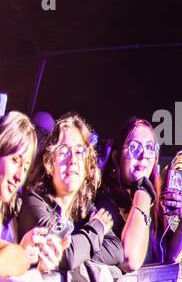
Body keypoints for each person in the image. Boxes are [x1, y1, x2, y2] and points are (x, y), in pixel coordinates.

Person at [16, 113, 124, 272]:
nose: (72, 159)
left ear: (87, 164)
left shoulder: (85, 208)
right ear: (49, 163)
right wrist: (97, 228)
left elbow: (116, 250)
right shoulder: (34, 202)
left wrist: (79, 251)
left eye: (80, 152)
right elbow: (64, 256)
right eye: (64, 151)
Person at [97, 118, 182, 270]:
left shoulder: (154, 201)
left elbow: (170, 258)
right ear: (115, 157)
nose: (144, 155)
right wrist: (143, 191)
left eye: (150, 148)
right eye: (134, 147)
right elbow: (129, 261)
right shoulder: (102, 200)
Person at [0, 112, 62, 276]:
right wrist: (21, 256)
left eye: (25, 167)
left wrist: (27, 254)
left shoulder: (8, 211)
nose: (20, 176)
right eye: (15, 160)